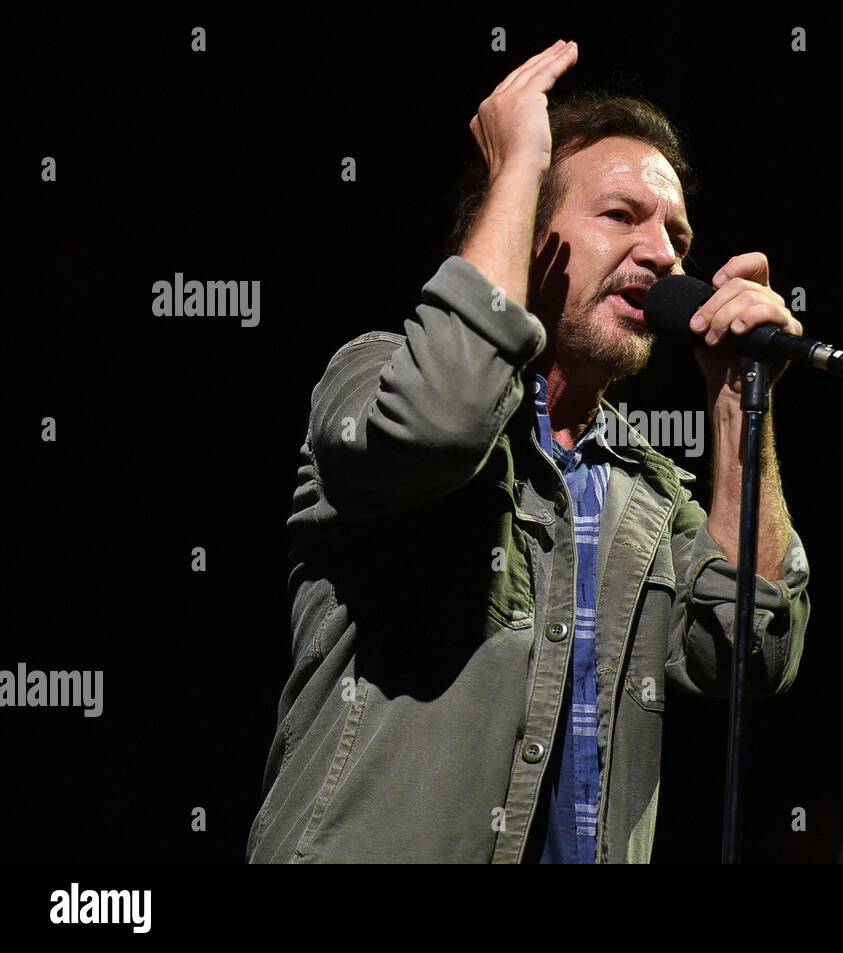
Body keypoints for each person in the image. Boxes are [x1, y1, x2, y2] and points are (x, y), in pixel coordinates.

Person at [246, 39, 811, 864]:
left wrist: (737, 408)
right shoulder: (371, 376)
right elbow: (438, 424)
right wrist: (515, 169)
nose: (663, 255)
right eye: (622, 216)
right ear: (526, 237)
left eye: (678, 236)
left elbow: (749, 651)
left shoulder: (648, 492)